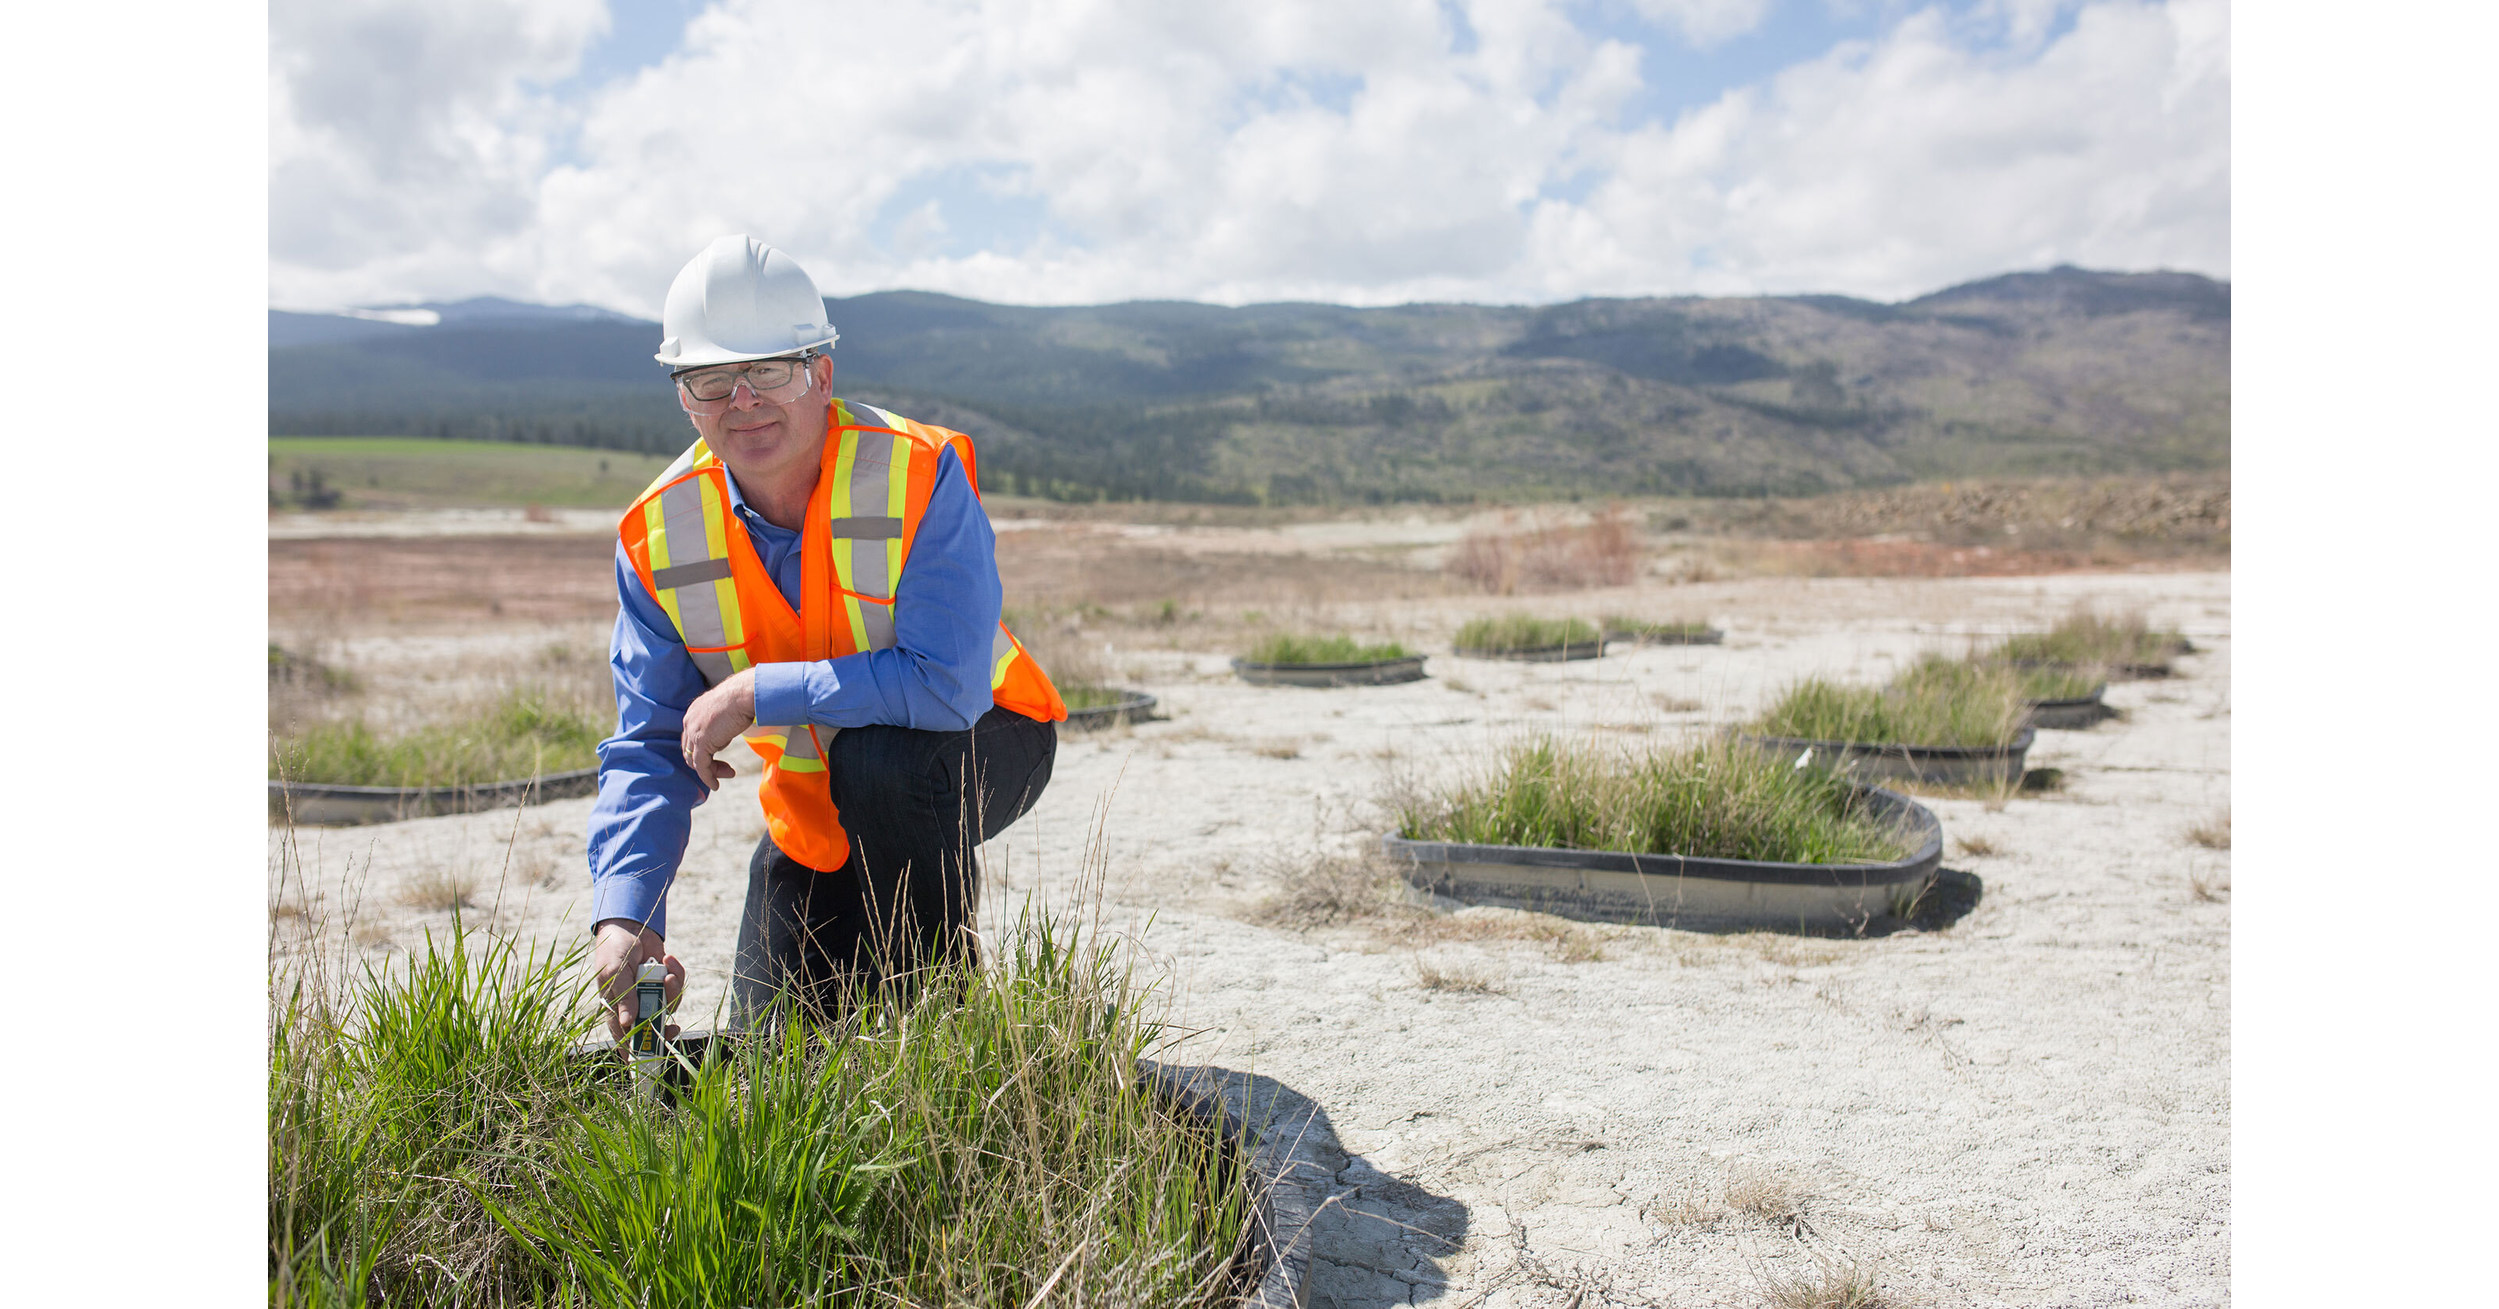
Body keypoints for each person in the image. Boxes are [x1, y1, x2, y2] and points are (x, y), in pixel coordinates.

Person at [585, 234, 1066, 1040]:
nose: (741, 400)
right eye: (710, 378)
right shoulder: (655, 532)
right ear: (683, 395)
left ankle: (947, 1031)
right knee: (773, 1063)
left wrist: (754, 689)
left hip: (981, 741)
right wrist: (627, 913)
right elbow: (648, 743)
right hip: (815, 805)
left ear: (822, 374)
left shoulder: (919, 471)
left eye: (770, 369)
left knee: (880, 765)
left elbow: (945, 686)